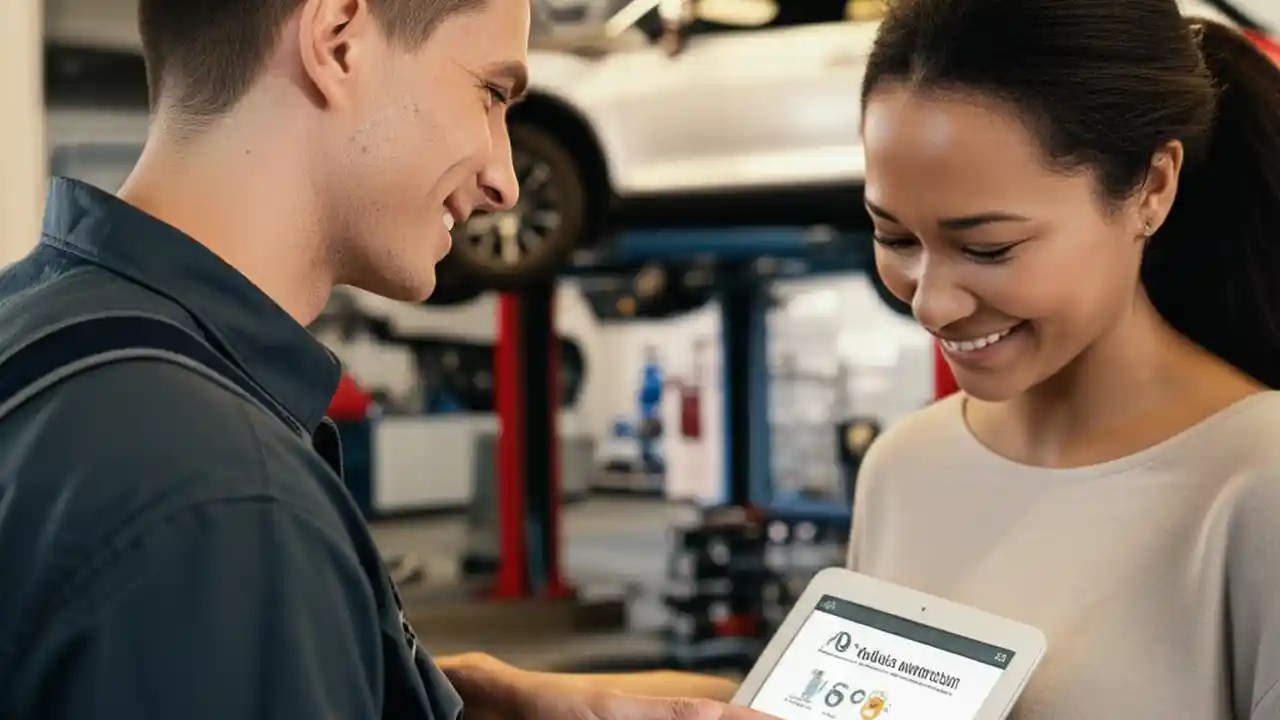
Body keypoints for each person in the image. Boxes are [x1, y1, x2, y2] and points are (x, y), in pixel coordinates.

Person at [0, 0, 771, 718]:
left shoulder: (41, 332)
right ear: (338, 41)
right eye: (491, 95)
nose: (504, 180)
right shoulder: (229, 500)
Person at [846, 0, 1280, 718]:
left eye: (988, 249)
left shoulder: (1257, 485)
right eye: (893, 237)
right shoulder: (903, 466)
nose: (929, 303)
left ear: (1152, 187)